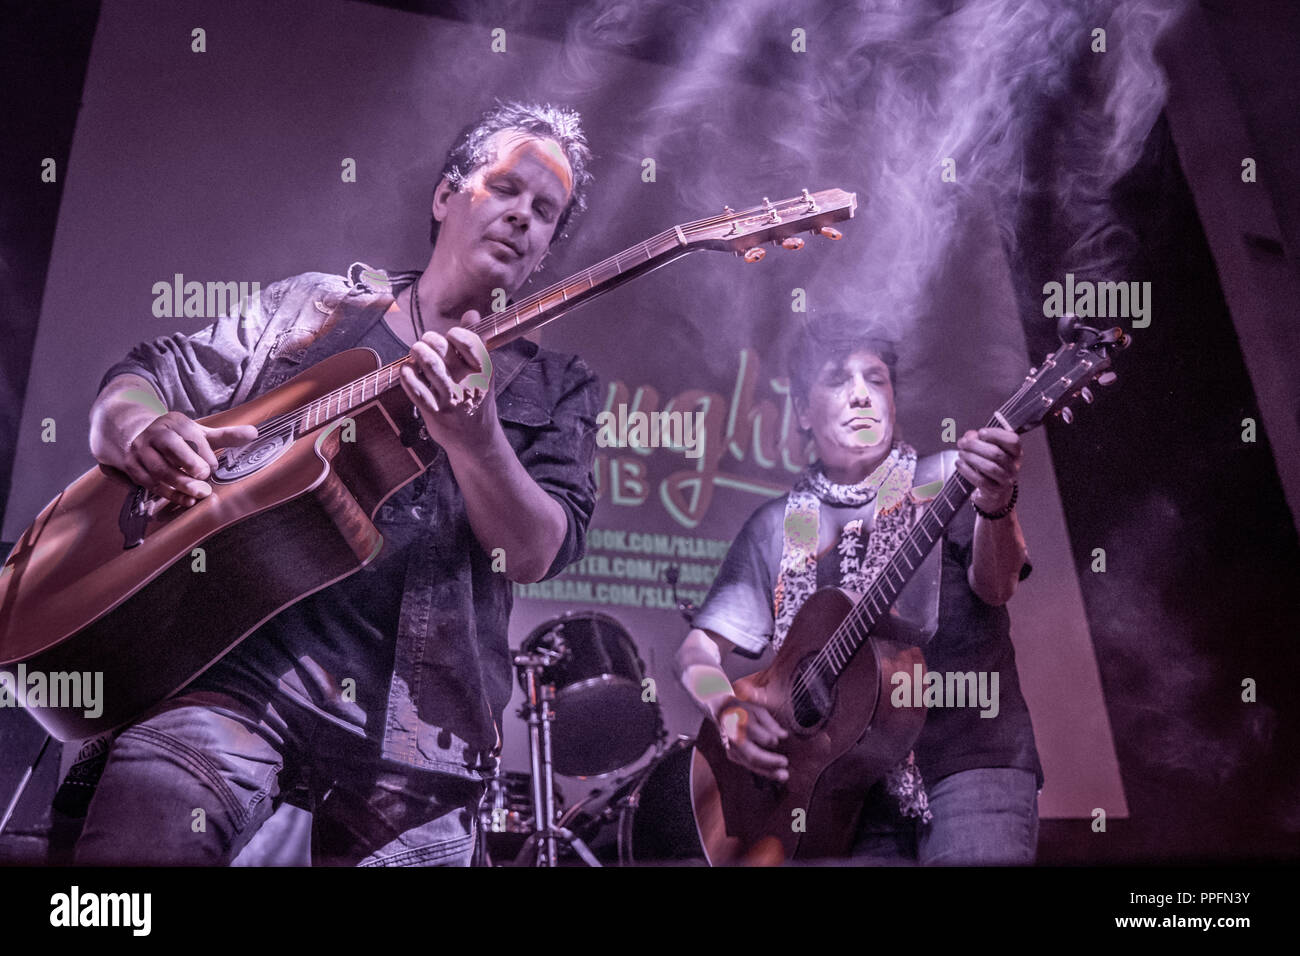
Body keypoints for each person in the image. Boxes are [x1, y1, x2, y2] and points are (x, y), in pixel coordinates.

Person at [73, 101, 602, 866]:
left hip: (420, 741)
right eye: (505, 189)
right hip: (232, 679)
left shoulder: (559, 385)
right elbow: (148, 376)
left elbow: (535, 551)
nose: (523, 216)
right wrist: (134, 426)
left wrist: (477, 440)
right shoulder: (311, 310)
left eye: (545, 211)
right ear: (447, 195)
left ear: (550, 245)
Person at [675, 322, 1043, 865]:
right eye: (836, 380)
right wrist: (726, 707)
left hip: (969, 755)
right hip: (841, 793)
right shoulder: (774, 525)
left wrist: (995, 499)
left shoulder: (945, 476)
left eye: (876, 378)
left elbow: (997, 586)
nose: (860, 393)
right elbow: (696, 653)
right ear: (802, 411)